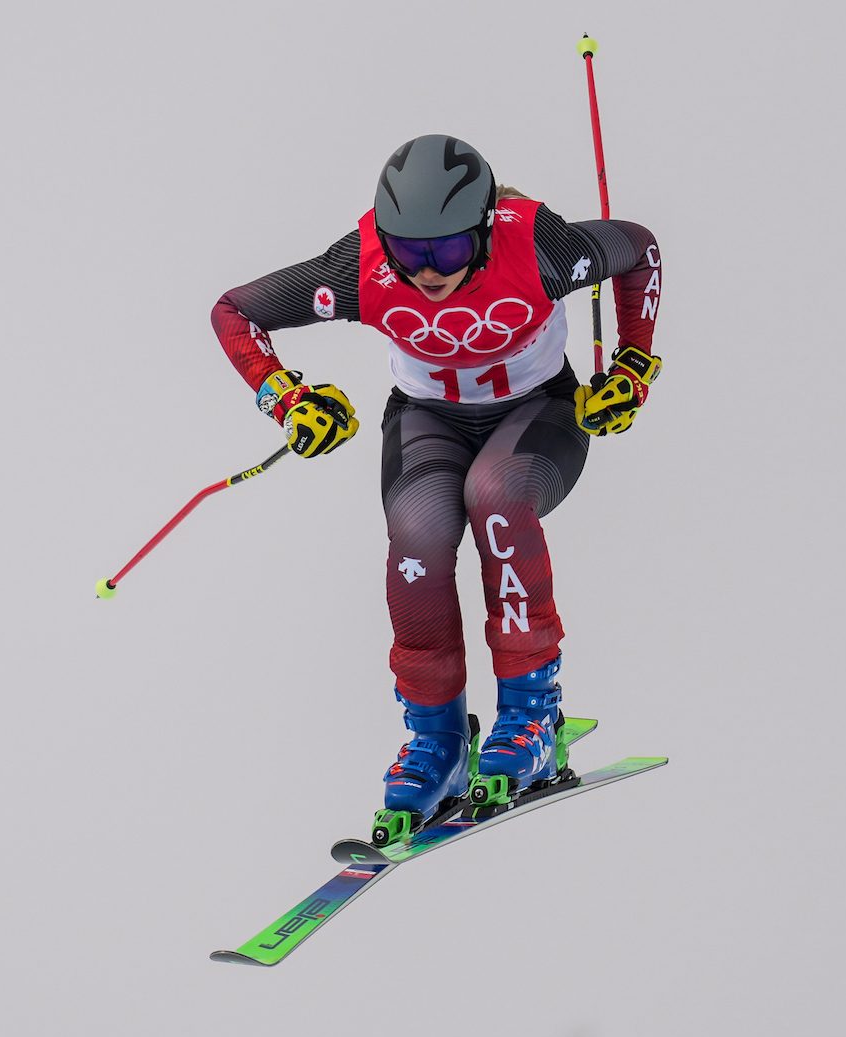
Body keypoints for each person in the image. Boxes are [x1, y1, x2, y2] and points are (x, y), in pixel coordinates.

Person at [210, 133, 663, 844]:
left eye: (448, 251)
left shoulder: (536, 247)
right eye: (408, 252)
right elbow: (235, 312)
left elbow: (637, 249)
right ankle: (438, 744)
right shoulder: (361, 269)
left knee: (496, 497)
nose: (427, 272)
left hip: (537, 414)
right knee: (417, 538)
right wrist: (285, 397)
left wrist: (632, 365)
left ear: (484, 230)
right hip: (427, 420)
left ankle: (533, 717)